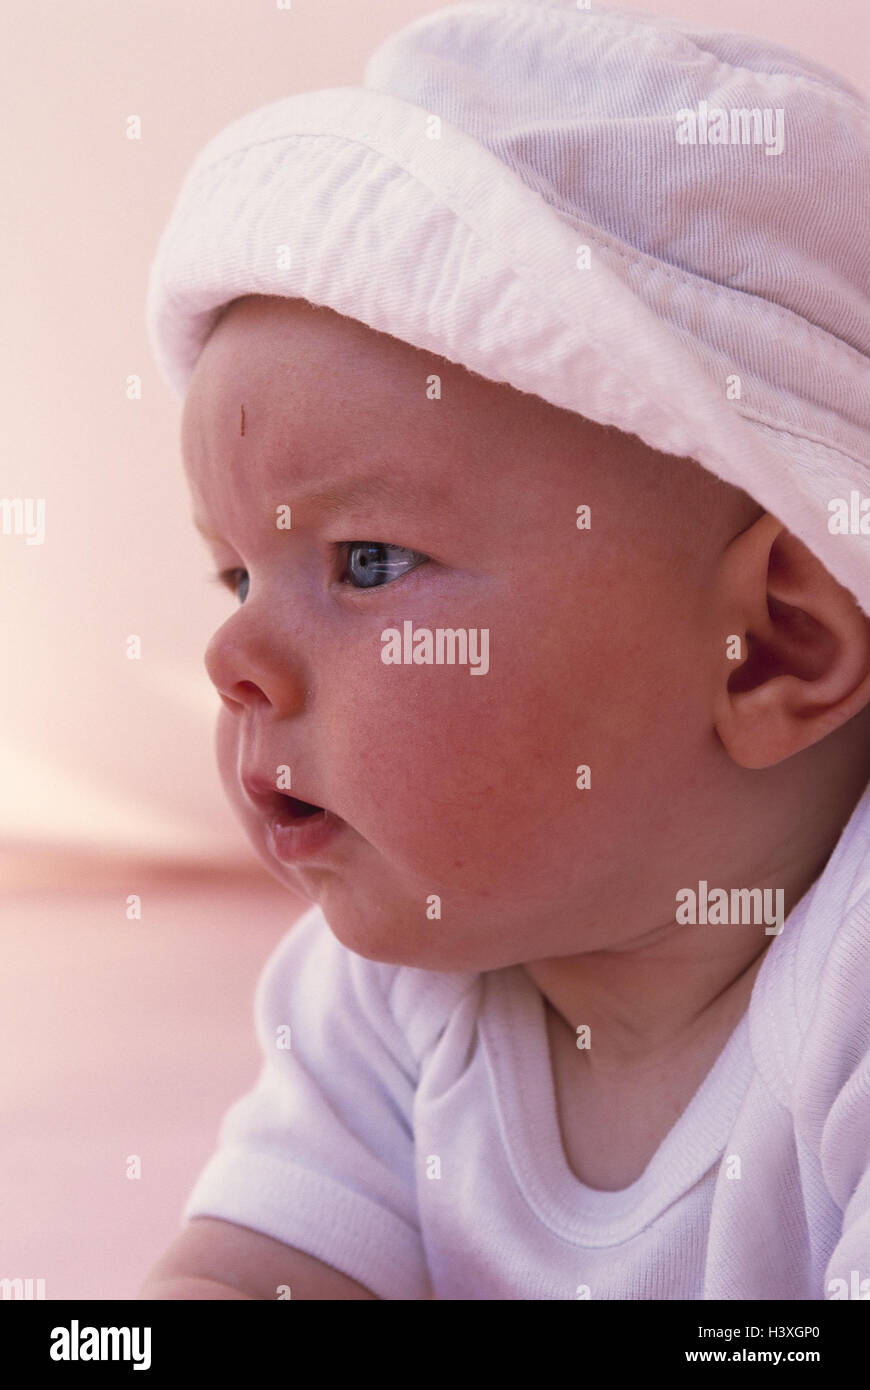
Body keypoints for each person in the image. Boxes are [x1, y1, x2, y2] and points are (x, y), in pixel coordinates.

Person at [138, 2, 870, 1300]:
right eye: (237, 571)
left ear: (767, 647)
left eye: (364, 563)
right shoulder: (389, 989)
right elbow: (245, 1275)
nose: (233, 653)